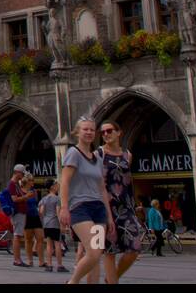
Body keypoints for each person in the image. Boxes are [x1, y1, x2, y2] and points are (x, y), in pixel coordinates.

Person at [59, 117, 114, 284]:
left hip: (98, 209)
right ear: (77, 132)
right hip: (80, 207)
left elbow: (102, 189)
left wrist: (109, 216)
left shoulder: (97, 158)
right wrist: (64, 207)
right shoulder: (73, 153)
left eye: (92, 129)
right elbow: (65, 181)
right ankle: (73, 282)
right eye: (85, 129)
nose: (89, 132)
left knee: (95, 256)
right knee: (94, 251)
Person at [100, 120, 141, 282]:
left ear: (119, 132)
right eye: (102, 132)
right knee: (110, 251)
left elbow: (127, 180)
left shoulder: (127, 155)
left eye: (109, 131)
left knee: (134, 248)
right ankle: (112, 282)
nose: (106, 134)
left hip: (126, 206)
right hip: (106, 206)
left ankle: (112, 278)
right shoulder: (99, 154)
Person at [5, 164, 30, 268]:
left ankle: (18, 259)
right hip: (18, 212)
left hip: (20, 212)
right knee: (17, 236)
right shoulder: (12, 184)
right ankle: (17, 260)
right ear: (18, 172)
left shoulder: (16, 184)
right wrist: (26, 197)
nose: (23, 175)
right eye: (22, 173)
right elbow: (14, 199)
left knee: (18, 235)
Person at [21, 173, 45, 267]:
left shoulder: (34, 191)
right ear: (27, 181)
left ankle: (41, 261)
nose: (33, 182)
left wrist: (40, 211)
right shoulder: (21, 191)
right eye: (32, 180)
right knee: (28, 240)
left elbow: (36, 203)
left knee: (40, 238)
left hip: (35, 216)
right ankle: (29, 260)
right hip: (26, 217)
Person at [40, 178, 64, 272]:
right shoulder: (57, 199)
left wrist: (44, 220)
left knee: (49, 245)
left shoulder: (44, 199)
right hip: (55, 224)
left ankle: (49, 265)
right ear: (52, 187)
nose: (58, 186)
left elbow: (41, 212)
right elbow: (58, 212)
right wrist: (61, 224)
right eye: (57, 184)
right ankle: (59, 265)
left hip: (46, 224)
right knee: (57, 244)